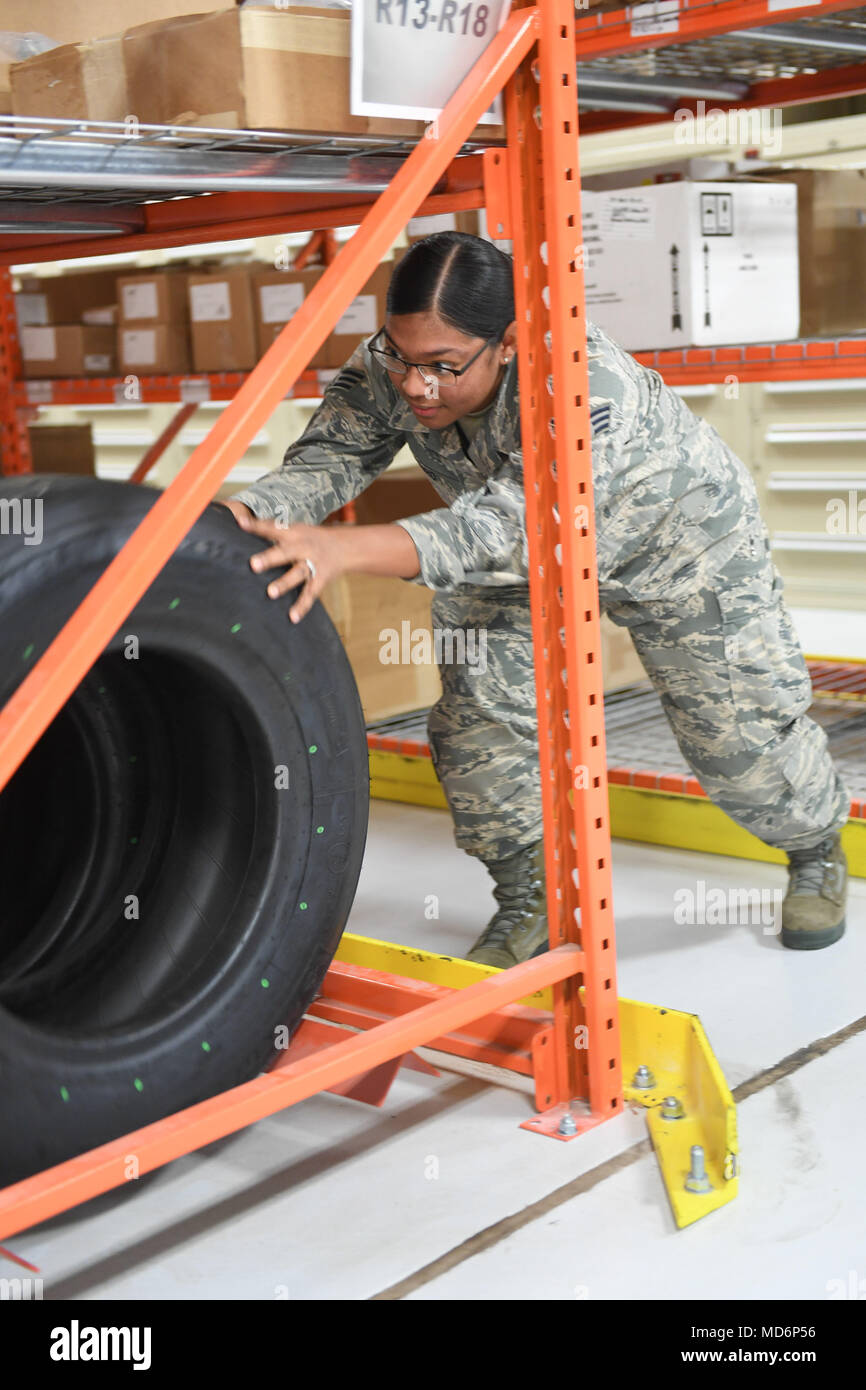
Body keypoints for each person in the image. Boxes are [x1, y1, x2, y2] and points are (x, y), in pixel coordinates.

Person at [221, 231, 850, 964]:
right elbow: (333, 455)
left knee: (738, 741)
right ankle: (533, 895)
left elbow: (516, 522)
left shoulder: (584, 381)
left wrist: (344, 550)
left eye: (443, 368)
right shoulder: (398, 361)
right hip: (519, 550)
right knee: (474, 722)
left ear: (511, 341)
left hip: (676, 543)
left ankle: (814, 846)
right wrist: (247, 515)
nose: (416, 387)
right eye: (401, 357)